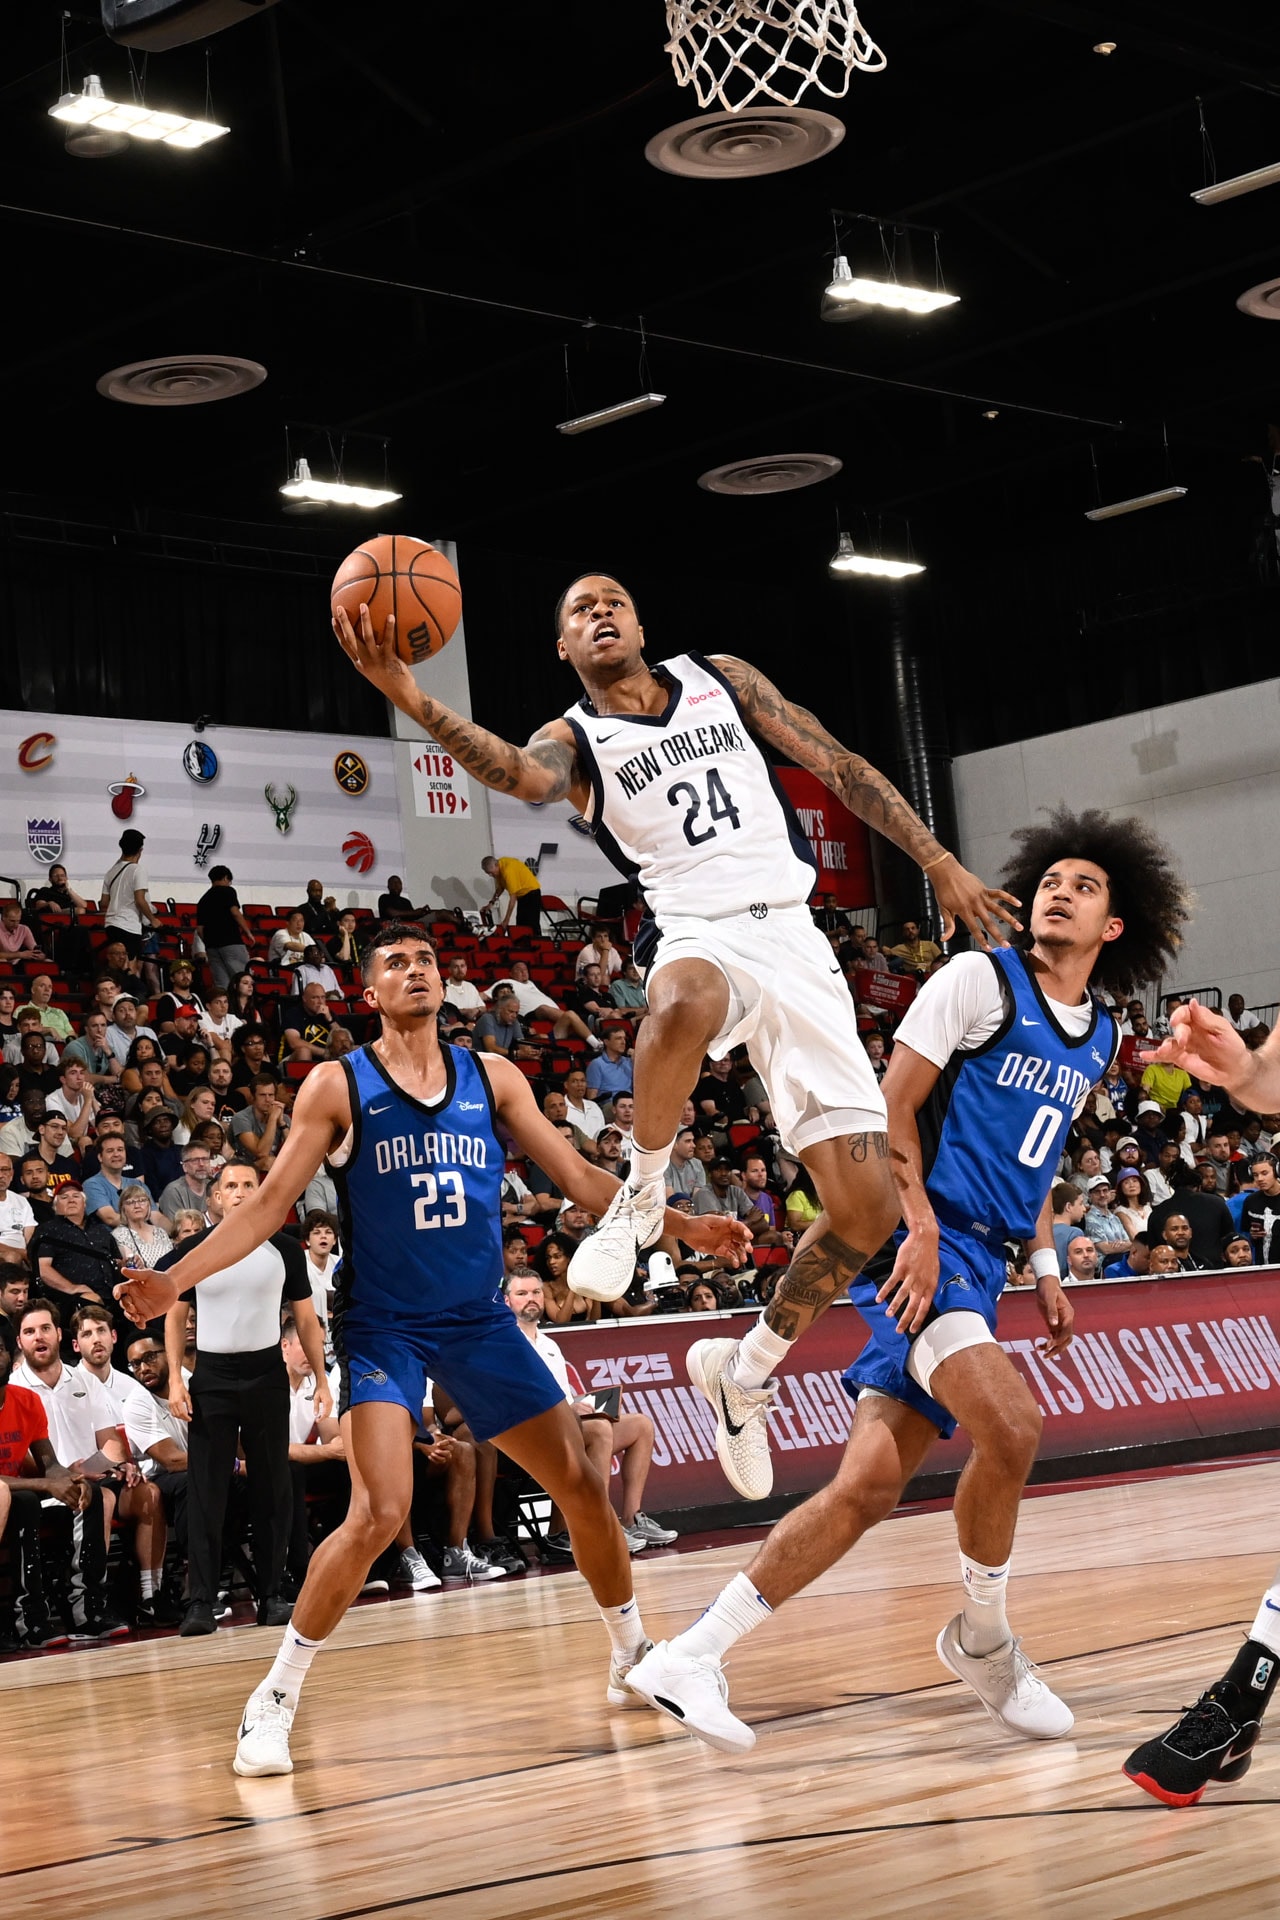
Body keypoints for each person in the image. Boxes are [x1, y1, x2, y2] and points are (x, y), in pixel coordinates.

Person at [336, 576, 1015, 1508]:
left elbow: (841, 762)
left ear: (641, 621)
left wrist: (937, 862)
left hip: (798, 941)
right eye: (579, 610)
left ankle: (746, 1371)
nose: (600, 613)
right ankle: (642, 1194)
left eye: (612, 600)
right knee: (686, 997)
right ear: (563, 649)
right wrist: (411, 698)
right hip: (698, 928)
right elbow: (520, 774)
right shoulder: (577, 739)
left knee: (864, 1214)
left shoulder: (721, 678)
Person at [116, 922, 747, 1777]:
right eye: (396, 964)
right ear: (368, 989)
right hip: (386, 1325)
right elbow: (266, 1208)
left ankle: (632, 1654)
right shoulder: (339, 1084)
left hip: (479, 1321)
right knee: (379, 1509)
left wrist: (683, 1226)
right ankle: (274, 1698)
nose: (415, 971)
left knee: (580, 1483)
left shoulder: (493, 1076)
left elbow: (580, 1180)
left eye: (426, 961)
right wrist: (174, 1279)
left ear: (443, 982)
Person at [623, 806, 1188, 1753]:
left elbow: (1034, 1156)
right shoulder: (978, 979)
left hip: (983, 1258)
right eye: (1051, 881)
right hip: (923, 1241)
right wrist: (918, 1228)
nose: (1059, 892)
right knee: (1013, 1427)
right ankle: (984, 1641)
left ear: (1115, 926)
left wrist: (1046, 1264)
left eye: (1084, 887)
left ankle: (690, 1655)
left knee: (865, 1491)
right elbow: (888, 1108)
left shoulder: (1099, 1036)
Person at [155, 1159, 329, 1637]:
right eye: (230, 1185)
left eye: (249, 1184)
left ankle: (271, 1595)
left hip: (266, 1373)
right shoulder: (195, 1248)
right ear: (214, 1197)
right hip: (211, 1376)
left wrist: (322, 1378)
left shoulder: (285, 1249)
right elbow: (175, 1315)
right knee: (206, 1491)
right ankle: (200, 1601)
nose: (239, 1192)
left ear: (261, 1191)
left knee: (273, 1488)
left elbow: (305, 1318)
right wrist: (176, 1380)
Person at [505, 1273, 677, 1553]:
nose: (531, 1299)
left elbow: (564, 1397)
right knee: (598, 1429)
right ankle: (601, 1524)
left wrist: (591, 1404)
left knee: (640, 1425)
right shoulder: (506, 1344)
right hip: (531, 1434)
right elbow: (520, 1398)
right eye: (522, 1294)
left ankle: (632, 1518)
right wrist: (568, 1408)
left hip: (565, 1425)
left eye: (536, 1292)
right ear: (507, 1301)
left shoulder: (549, 1344)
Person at [99, 830, 159, 966]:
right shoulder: (138, 870)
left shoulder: (110, 872)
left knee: (116, 965)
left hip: (111, 925)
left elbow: (104, 903)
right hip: (129, 926)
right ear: (140, 850)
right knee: (130, 966)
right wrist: (153, 919)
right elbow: (140, 900)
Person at [195, 866, 255, 990]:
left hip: (212, 946)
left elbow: (200, 929)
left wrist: (209, 943)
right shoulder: (228, 891)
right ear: (225, 878)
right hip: (231, 942)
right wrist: (248, 932)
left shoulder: (203, 900)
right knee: (242, 980)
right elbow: (235, 912)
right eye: (229, 881)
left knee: (221, 985)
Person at [480, 853, 542, 932]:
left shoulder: (508, 871)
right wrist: (491, 903)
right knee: (521, 924)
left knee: (531, 925)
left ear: (496, 865)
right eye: (488, 873)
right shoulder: (499, 868)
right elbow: (500, 888)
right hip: (522, 896)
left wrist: (506, 920)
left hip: (532, 893)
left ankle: (538, 939)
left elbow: (513, 898)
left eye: (491, 872)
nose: (490, 875)